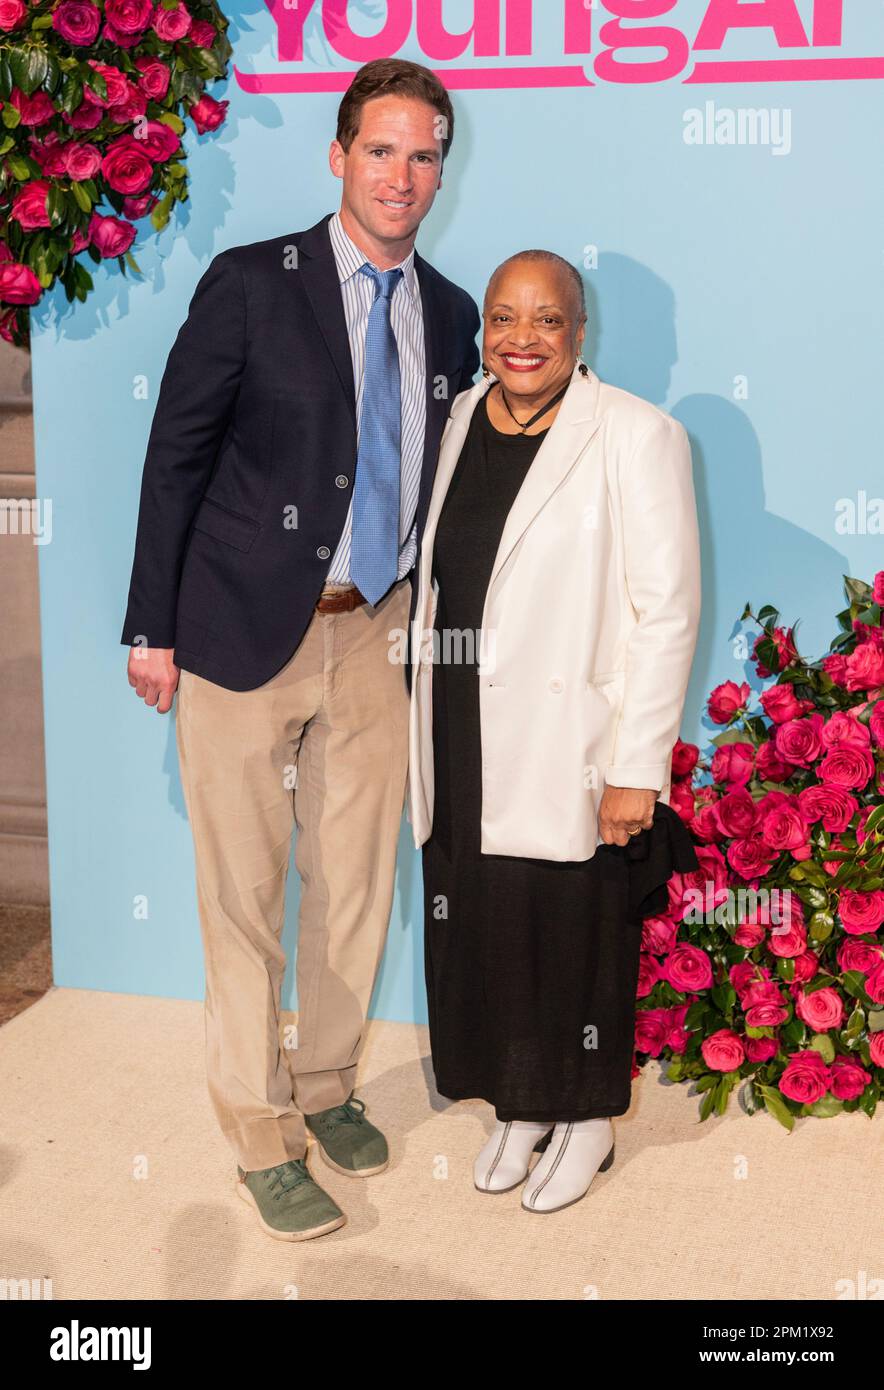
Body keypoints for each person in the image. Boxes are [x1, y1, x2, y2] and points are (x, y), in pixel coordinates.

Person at [120, 58, 480, 1241]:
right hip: (234, 632)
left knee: (355, 886)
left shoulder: (456, 312)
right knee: (242, 895)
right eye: (380, 150)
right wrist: (151, 624)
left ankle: (325, 1088)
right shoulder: (248, 284)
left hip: (374, 635)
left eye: (423, 154)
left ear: (441, 168)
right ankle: (257, 1130)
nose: (402, 175)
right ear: (337, 157)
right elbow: (175, 457)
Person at [407, 250, 702, 1213]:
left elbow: (668, 613)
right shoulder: (458, 421)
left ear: (580, 333)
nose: (520, 339)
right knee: (488, 922)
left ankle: (587, 1118)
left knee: (570, 929)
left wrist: (635, 768)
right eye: (502, 319)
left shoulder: (636, 434)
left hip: (572, 734)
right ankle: (521, 1104)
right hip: (461, 724)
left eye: (545, 320)